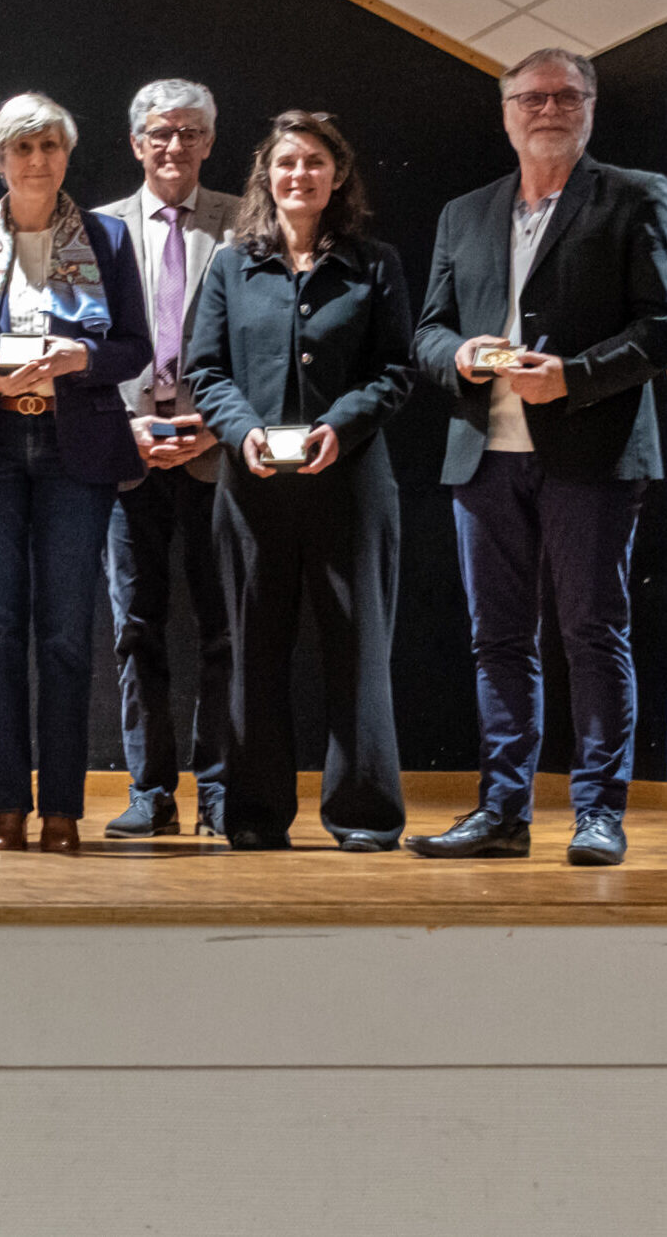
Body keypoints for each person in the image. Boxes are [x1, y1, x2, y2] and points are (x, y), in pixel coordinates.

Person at [407, 49, 667, 867]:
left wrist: (574, 377)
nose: (547, 109)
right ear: (505, 112)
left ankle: (598, 814)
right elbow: (427, 330)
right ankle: (501, 812)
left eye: (564, 96)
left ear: (588, 107)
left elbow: (659, 326)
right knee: (496, 640)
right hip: (483, 455)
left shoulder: (634, 195)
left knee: (591, 633)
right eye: (530, 97)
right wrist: (459, 355)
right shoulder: (464, 212)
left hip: (592, 450)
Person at [0, 93, 149, 856]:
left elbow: (133, 347)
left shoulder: (106, 239)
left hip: (71, 451)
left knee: (65, 636)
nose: (37, 159)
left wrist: (83, 357)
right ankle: (8, 805)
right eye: (22, 147)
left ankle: (60, 809)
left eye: (50, 145)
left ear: (67, 155)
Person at [185, 110, 411, 852]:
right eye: (286, 163)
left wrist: (339, 426)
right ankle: (254, 814)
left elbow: (396, 370)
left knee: (358, 652)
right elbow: (205, 370)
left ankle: (364, 815)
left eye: (314, 161)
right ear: (266, 176)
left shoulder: (375, 263)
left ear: (337, 175)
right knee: (253, 652)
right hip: (252, 488)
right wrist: (241, 429)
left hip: (350, 486)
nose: (299, 175)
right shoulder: (230, 265)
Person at [96, 79, 238, 840]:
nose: (174, 145)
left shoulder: (245, 223)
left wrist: (217, 425)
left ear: (209, 142)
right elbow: (80, 343)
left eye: (189, 132)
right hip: (128, 455)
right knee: (135, 628)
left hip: (215, 451)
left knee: (224, 630)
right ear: (135, 143)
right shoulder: (98, 229)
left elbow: (261, 340)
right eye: (160, 132)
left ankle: (219, 790)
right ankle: (149, 791)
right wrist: (125, 428)